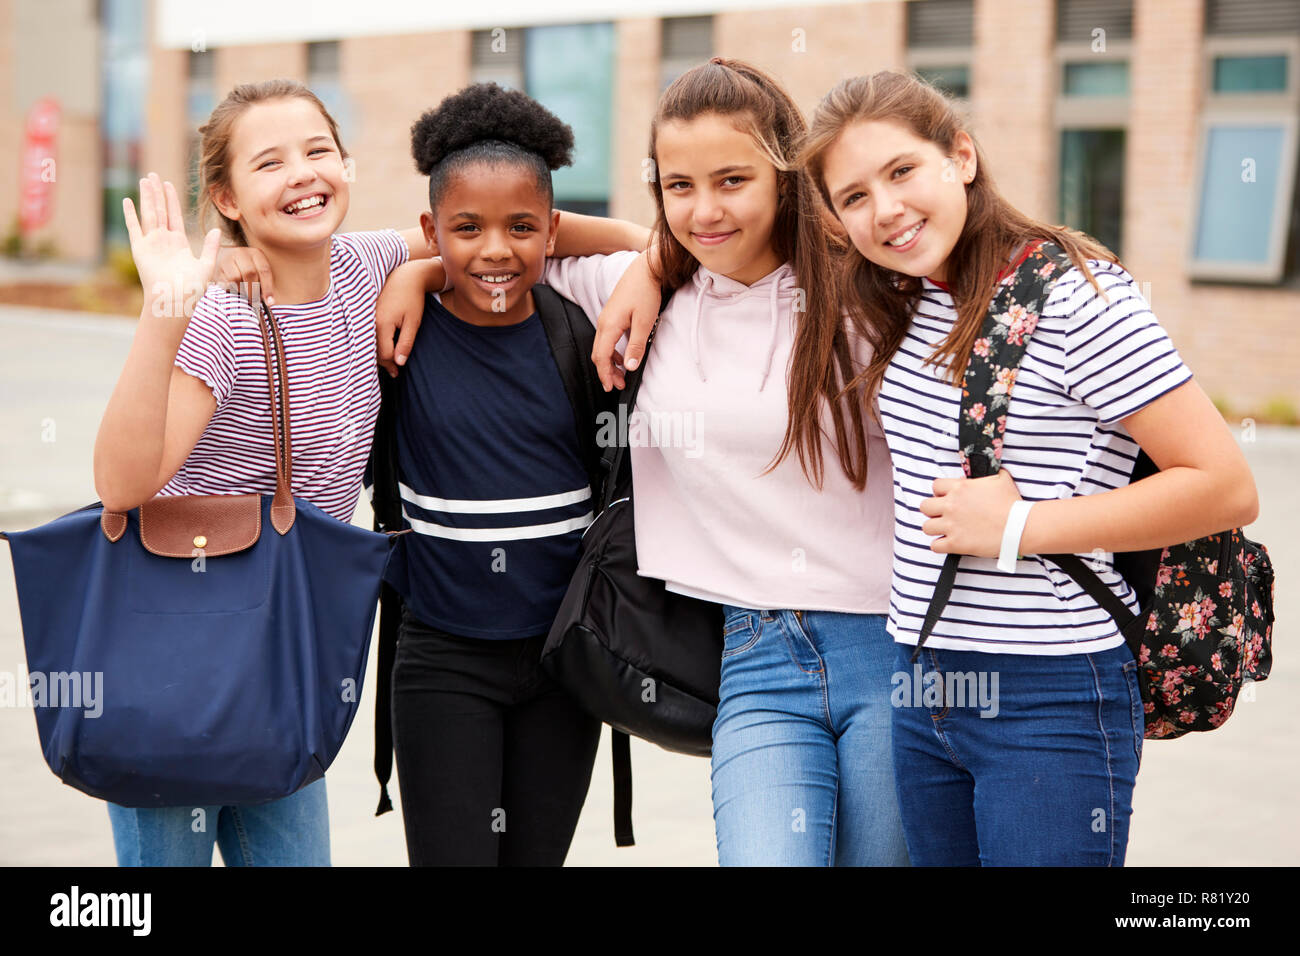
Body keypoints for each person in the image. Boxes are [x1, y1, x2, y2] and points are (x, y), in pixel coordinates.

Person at [796, 70, 1259, 865]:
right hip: (923, 680)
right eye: (855, 197)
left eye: (903, 171)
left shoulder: (1078, 297)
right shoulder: (906, 299)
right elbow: (716, 239)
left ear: (962, 156)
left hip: (1049, 693)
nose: (888, 210)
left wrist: (1020, 525)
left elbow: (1224, 485)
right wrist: (644, 265)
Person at [467, 58, 909, 866]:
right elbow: (501, 232)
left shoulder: (871, 298)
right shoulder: (644, 295)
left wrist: (656, 255)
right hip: (754, 660)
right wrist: (650, 257)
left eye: (732, 179)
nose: (704, 210)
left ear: (786, 175)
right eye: (678, 185)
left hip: (890, 653)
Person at [93, 79, 442, 866]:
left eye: (319, 151)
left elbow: (488, 235)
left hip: (287, 664)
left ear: (348, 165)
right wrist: (166, 310)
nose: (304, 174)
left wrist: (646, 263)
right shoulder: (219, 319)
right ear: (227, 197)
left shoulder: (364, 266)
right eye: (270, 163)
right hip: (180, 660)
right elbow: (120, 486)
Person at [364, 83, 649, 866]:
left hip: (565, 659)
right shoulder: (398, 336)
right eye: (466, 229)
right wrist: (413, 274)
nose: (496, 250)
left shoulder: (578, 327)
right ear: (430, 231)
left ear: (553, 230)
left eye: (522, 227)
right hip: (442, 658)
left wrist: (423, 267)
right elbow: (296, 271)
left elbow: (642, 239)